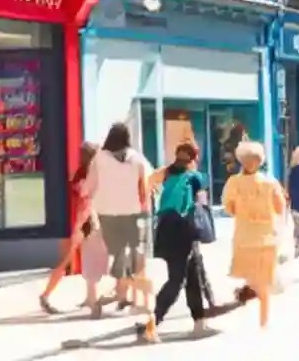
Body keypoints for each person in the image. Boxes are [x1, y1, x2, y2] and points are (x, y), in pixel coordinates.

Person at [138, 143, 210, 343]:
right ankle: (153, 320)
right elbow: (201, 203)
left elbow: (149, 182)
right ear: (193, 159)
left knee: (192, 274)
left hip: (165, 227)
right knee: (177, 279)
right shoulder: (194, 177)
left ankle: (199, 322)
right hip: (183, 229)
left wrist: (154, 197)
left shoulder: (167, 173)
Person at [84, 122, 150, 318]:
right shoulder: (137, 159)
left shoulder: (99, 159)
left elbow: (89, 188)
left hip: (106, 214)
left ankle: (115, 294)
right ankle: (118, 293)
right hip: (132, 213)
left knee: (119, 253)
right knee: (129, 256)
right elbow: (144, 189)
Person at [223, 142, 286, 329]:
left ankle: (260, 318)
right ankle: (264, 322)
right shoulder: (270, 183)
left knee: (255, 280)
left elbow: (229, 208)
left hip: (245, 238)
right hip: (268, 237)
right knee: (264, 282)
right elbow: (280, 207)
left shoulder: (233, 183)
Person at [39, 142, 100, 314]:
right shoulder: (88, 177)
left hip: (81, 222)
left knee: (84, 261)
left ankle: (91, 298)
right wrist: (81, 226)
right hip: (83, 223)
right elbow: (85, 203)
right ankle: (45, 295)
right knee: (69, 262)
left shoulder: (80, 175)